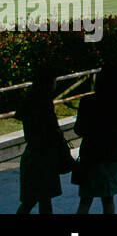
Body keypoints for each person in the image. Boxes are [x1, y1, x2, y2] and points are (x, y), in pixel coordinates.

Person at [72, 62, 117, 215]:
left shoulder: (87, 102)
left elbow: (78, 129)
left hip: (90, 155)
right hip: (113, 155)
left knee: (85, 200)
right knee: (108, 199)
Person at [16, 65, 71, 215]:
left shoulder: (30, 99)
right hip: (44, 157)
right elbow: (53, 131)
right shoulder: (44, 104)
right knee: (41, 200)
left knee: (31, 200)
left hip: (32, 154)